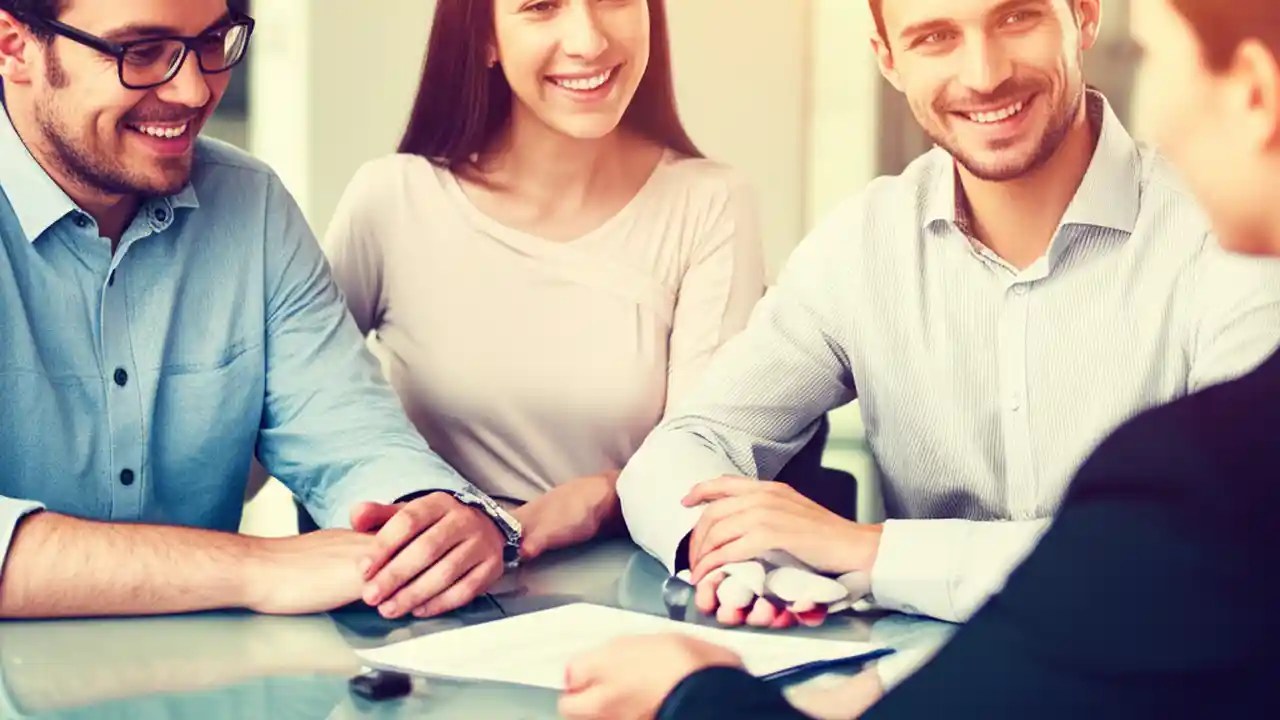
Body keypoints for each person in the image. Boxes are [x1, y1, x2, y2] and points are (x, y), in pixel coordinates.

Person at [558, 0, 1280, 717]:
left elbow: (1191, 563)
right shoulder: (864, 242)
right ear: (887, 56)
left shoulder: (1234, 234)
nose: (984, 73)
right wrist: (741, 558)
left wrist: (871, 551)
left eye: (1016, 18)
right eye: (935, 37)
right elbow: (686, 445)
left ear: (1083, 16)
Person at [0, 0, 515, 621]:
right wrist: (257, 566)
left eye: (213, 41)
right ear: (14, 45)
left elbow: (351, 435)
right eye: (140, 53)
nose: (194, 90)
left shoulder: (252, 206)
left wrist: (428, 520)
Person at [322, 0, 764, 564]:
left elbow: (700, 464)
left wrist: (589, 502)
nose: (588, 39)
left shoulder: (711, 203)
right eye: (540, 6)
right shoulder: (392, 200)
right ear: (483, 37)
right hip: (430, 594)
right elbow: (291, 418)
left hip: (636, 593)